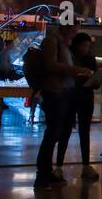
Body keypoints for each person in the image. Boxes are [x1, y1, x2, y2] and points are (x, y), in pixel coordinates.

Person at [33, 24, 92, 189]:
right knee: (52, 134)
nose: (75, 33)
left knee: (55, 133)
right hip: (54, 92)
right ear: (67, 27)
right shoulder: (52, 42)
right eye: (74, 29)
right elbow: (51, 65)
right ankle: (42, 175)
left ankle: (47, 172)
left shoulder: (62, 43)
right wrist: (75, 70)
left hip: (61, 92)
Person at [55, 31, 100, 181]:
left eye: (88, 46)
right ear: (77, 45)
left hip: (82, 97)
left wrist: (94, 81)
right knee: (67, 131)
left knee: (83, 131)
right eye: (84, 45)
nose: (86, 48)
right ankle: (60, 167)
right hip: (74, 96)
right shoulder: (70, 57)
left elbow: (94, 81)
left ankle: (83, 165)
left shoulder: (82, 58)